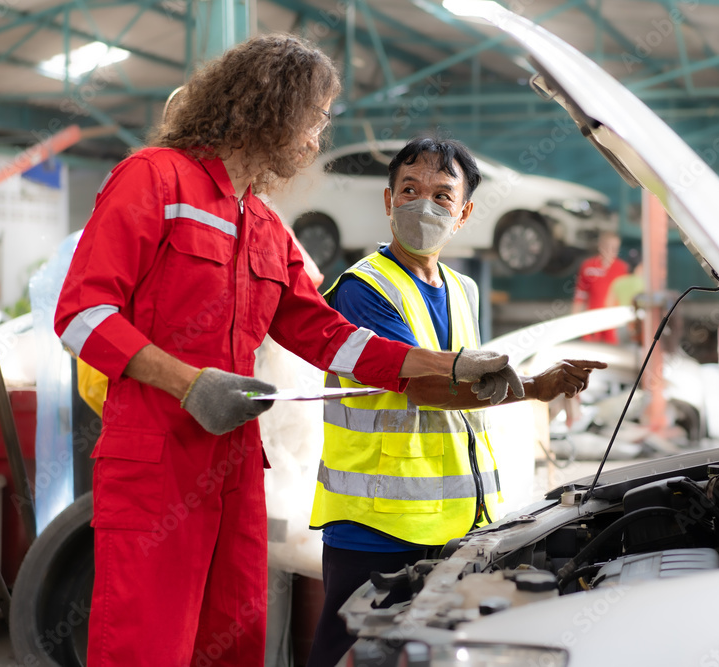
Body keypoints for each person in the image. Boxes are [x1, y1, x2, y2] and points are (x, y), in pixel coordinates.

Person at [53, 37, 518, 667]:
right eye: (318, 119)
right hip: (155, 461)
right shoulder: (155, 178)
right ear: (274, 108)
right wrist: (189, 384)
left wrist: (451, 365)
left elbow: (328, 335)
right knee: (146, 645)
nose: (317, 140)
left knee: (236, 644)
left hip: (237, 464)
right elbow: (82, 316)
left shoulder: (264, 224)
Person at [306, 136, 607, 666]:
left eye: (443, 195)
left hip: (456, 522)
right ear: (388, 200)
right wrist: (534, 388)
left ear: (465, 212)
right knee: (350, 654)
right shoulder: (363, 289)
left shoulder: (462, 289)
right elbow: (419, 385)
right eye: (409, 189)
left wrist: (536, 385)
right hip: (377, 523)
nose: (424, 204)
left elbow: (472, 389)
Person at [571, 230, 628, 343]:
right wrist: (575, 319)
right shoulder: (588, 266)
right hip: (592, 318)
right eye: (607, 247)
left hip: (613, 320)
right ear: (600, 246)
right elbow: (580, 294)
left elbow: (624, 297)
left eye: (615, 248)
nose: (611, 251)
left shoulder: (621, 268)